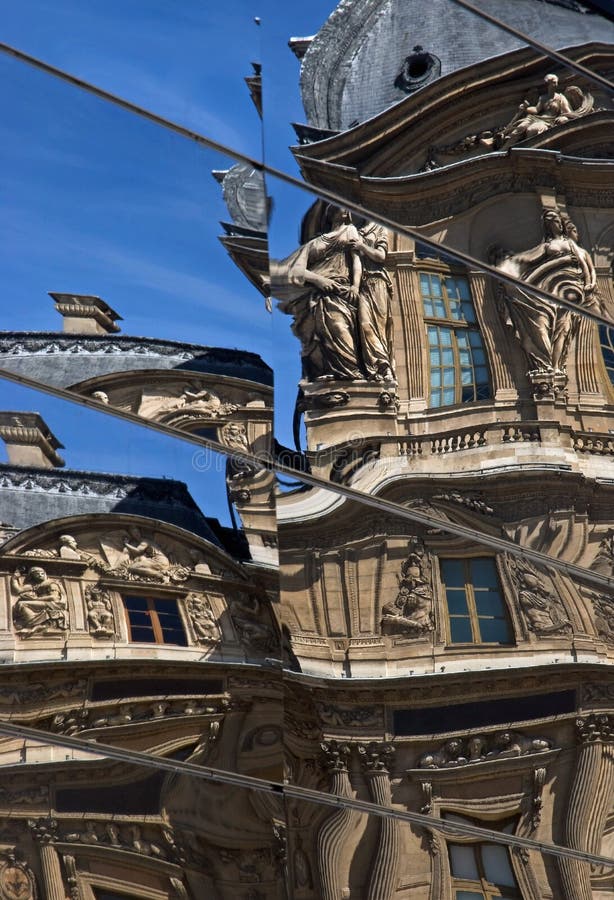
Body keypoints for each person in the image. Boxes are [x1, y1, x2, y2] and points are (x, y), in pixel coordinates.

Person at [495, 208, 596, 372]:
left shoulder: (571, 244)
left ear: (561, 224)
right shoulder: (547, 246)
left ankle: (556, 366)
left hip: (571, 284)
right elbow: (529, 258)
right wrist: (509, 263)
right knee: (555, 327)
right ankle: (552, 366)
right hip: (550, 285)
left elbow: (587, 265)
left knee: (564, 327)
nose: (553, 223)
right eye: (549, 221)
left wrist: (590, 281)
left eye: (555, 220)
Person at [275, 208, 363, 381]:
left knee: (339, 327)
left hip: (341, 290)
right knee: (322, 336)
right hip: (317, 293)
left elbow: (356, 261)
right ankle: (333, 371)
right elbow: (296, 270)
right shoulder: (313, 243)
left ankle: (350, 373)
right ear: (329, 214)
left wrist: (355, 286)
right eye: (338, 207)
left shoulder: (350, 230)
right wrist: (319, 280)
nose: (344, 210)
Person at [11, 566, 68, 633]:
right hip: (44, 602)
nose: (40, 575)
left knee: (23, 604)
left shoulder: (51, 583)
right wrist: (14, 578)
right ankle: (36, 624)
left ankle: (33, 624)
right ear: (32, 576)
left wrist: (36, 599)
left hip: (54, 604)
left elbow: (54, 597)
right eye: (37, 574)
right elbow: (18, 590)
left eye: (42, 573)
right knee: (19, 604)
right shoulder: (35, 585)